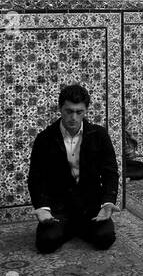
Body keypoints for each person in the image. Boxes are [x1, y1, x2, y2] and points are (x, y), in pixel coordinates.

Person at [28, 83, 120, 254]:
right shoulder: (45, 138)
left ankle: (75, 228)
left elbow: (110, 172)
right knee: (47, 243)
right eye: (68, 111)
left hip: (90, 205)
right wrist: (43, 207)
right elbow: (36, 177)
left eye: (79, 112)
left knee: (105, 239)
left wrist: (107, 201)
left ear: (86, 111)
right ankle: (72, 228)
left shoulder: (99, 135)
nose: (74, 117)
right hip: (59, 207)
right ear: (60, 109)